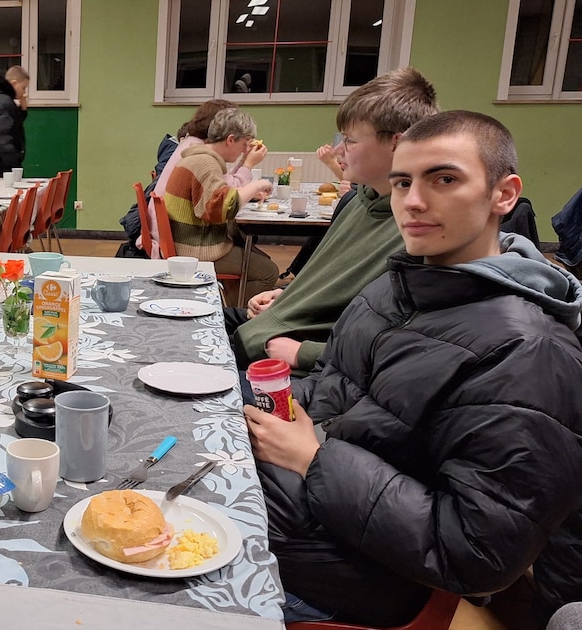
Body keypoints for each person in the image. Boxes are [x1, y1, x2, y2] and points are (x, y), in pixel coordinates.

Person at [245, 111, 582, 627]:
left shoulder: (528, 355)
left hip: (373, 576)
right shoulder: (397, 287)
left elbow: (477, 552)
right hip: (320, 512)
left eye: (444, 179)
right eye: (403, 182)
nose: (414, 201)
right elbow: (337, 389)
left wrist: (315, 459)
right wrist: (265, 410)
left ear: (503, 195)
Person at [228, 67, 439, 375]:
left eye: (350, 141)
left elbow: (407, 349)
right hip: (271, 329)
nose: (339, 150)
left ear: (398, 143)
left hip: (295, 359)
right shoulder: (358, 200)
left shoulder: (419, 230)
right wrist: (289, 294)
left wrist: (305, 353)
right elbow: (334, 286)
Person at [119, 100, 266, 258]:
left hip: (167, 231)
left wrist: (246, 176)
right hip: (179, 239)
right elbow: (224, 199)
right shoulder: (201, 155)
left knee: (250, 253)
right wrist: (248, 165)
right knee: (258, 262)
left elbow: (224, 186)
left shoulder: (193, 144)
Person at [159, 108, 276, 297]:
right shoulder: (205, 164)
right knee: (268, 272)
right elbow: (223, 208)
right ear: (230, 140)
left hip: (189, 242)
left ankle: (227, 304)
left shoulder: (199, 158)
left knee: (258, 257)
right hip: (197, 251)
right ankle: (235, 317)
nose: (244, 150)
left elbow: (220, 195)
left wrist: (246, 163)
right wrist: (257, 185)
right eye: (244, 144)